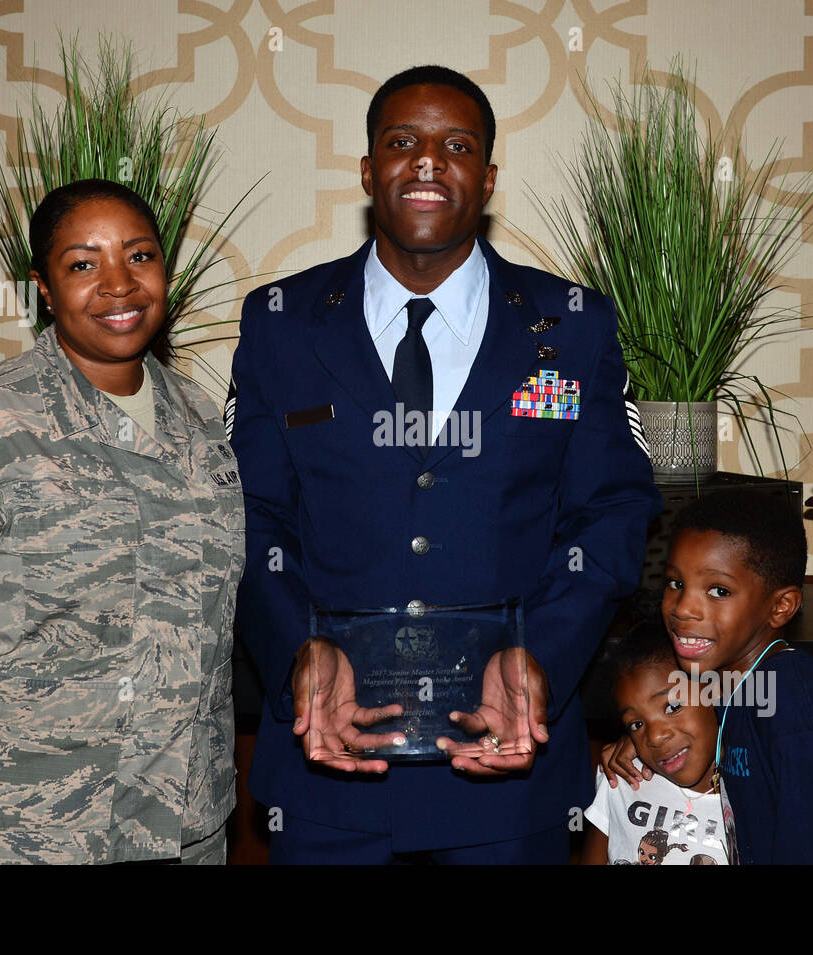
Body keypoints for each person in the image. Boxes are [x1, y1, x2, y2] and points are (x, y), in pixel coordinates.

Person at [229, 65, 662, 863]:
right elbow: (252, 515)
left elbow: (611, 512)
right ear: (367, 169)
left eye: (455, 145)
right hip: (330, 764)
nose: (427, 163)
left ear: (488, 177)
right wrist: (299, 647)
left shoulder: (572, 326)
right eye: (402, 142)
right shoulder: (281, 324)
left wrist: (544, 656)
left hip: (507, 769)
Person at [0, 179, 244, 864]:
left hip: (179, 819)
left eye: (139, 256)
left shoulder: (203, 418)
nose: (119, 284)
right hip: (5, 827)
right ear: (44, 287)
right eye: (83, 264)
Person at [604, 488, 813, 864]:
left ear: (780, 607)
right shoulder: (734, 683)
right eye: (676, 583)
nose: (684, 608)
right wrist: (642, 736)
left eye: (718, 590)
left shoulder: (793, 712)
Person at [583, 616, 730, 865]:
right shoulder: (623, 781)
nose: (655, 736)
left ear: (714, 691)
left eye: (672, 707)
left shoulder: (754, 794)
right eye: (637, 724)